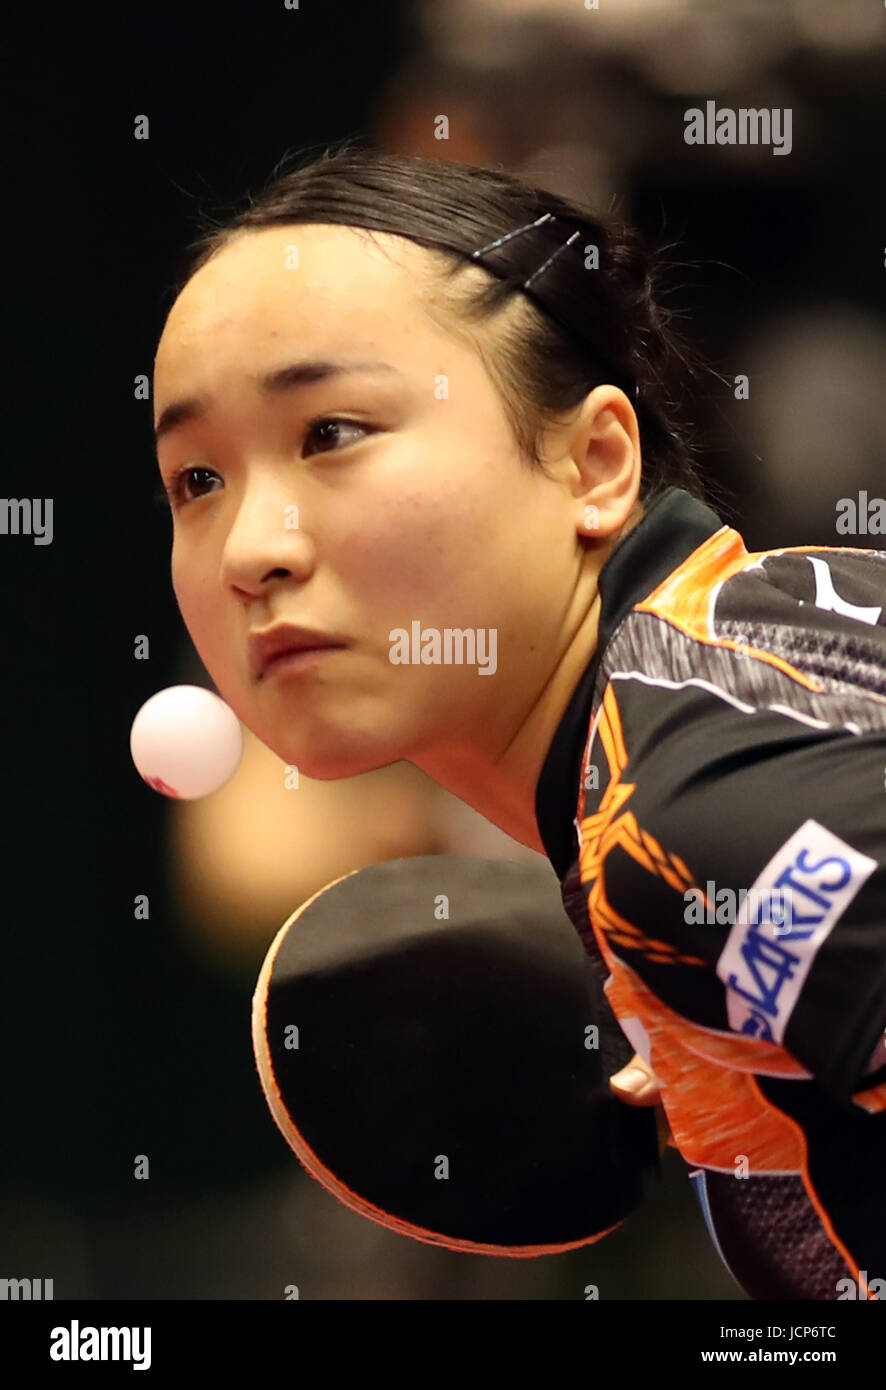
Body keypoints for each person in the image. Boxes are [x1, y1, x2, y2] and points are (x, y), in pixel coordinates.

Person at [151, 144, 886, 1299]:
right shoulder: (749, 652)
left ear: (594, 461)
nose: (250, 549)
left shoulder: (687, 811)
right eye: (196, 480)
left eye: (331, 433)